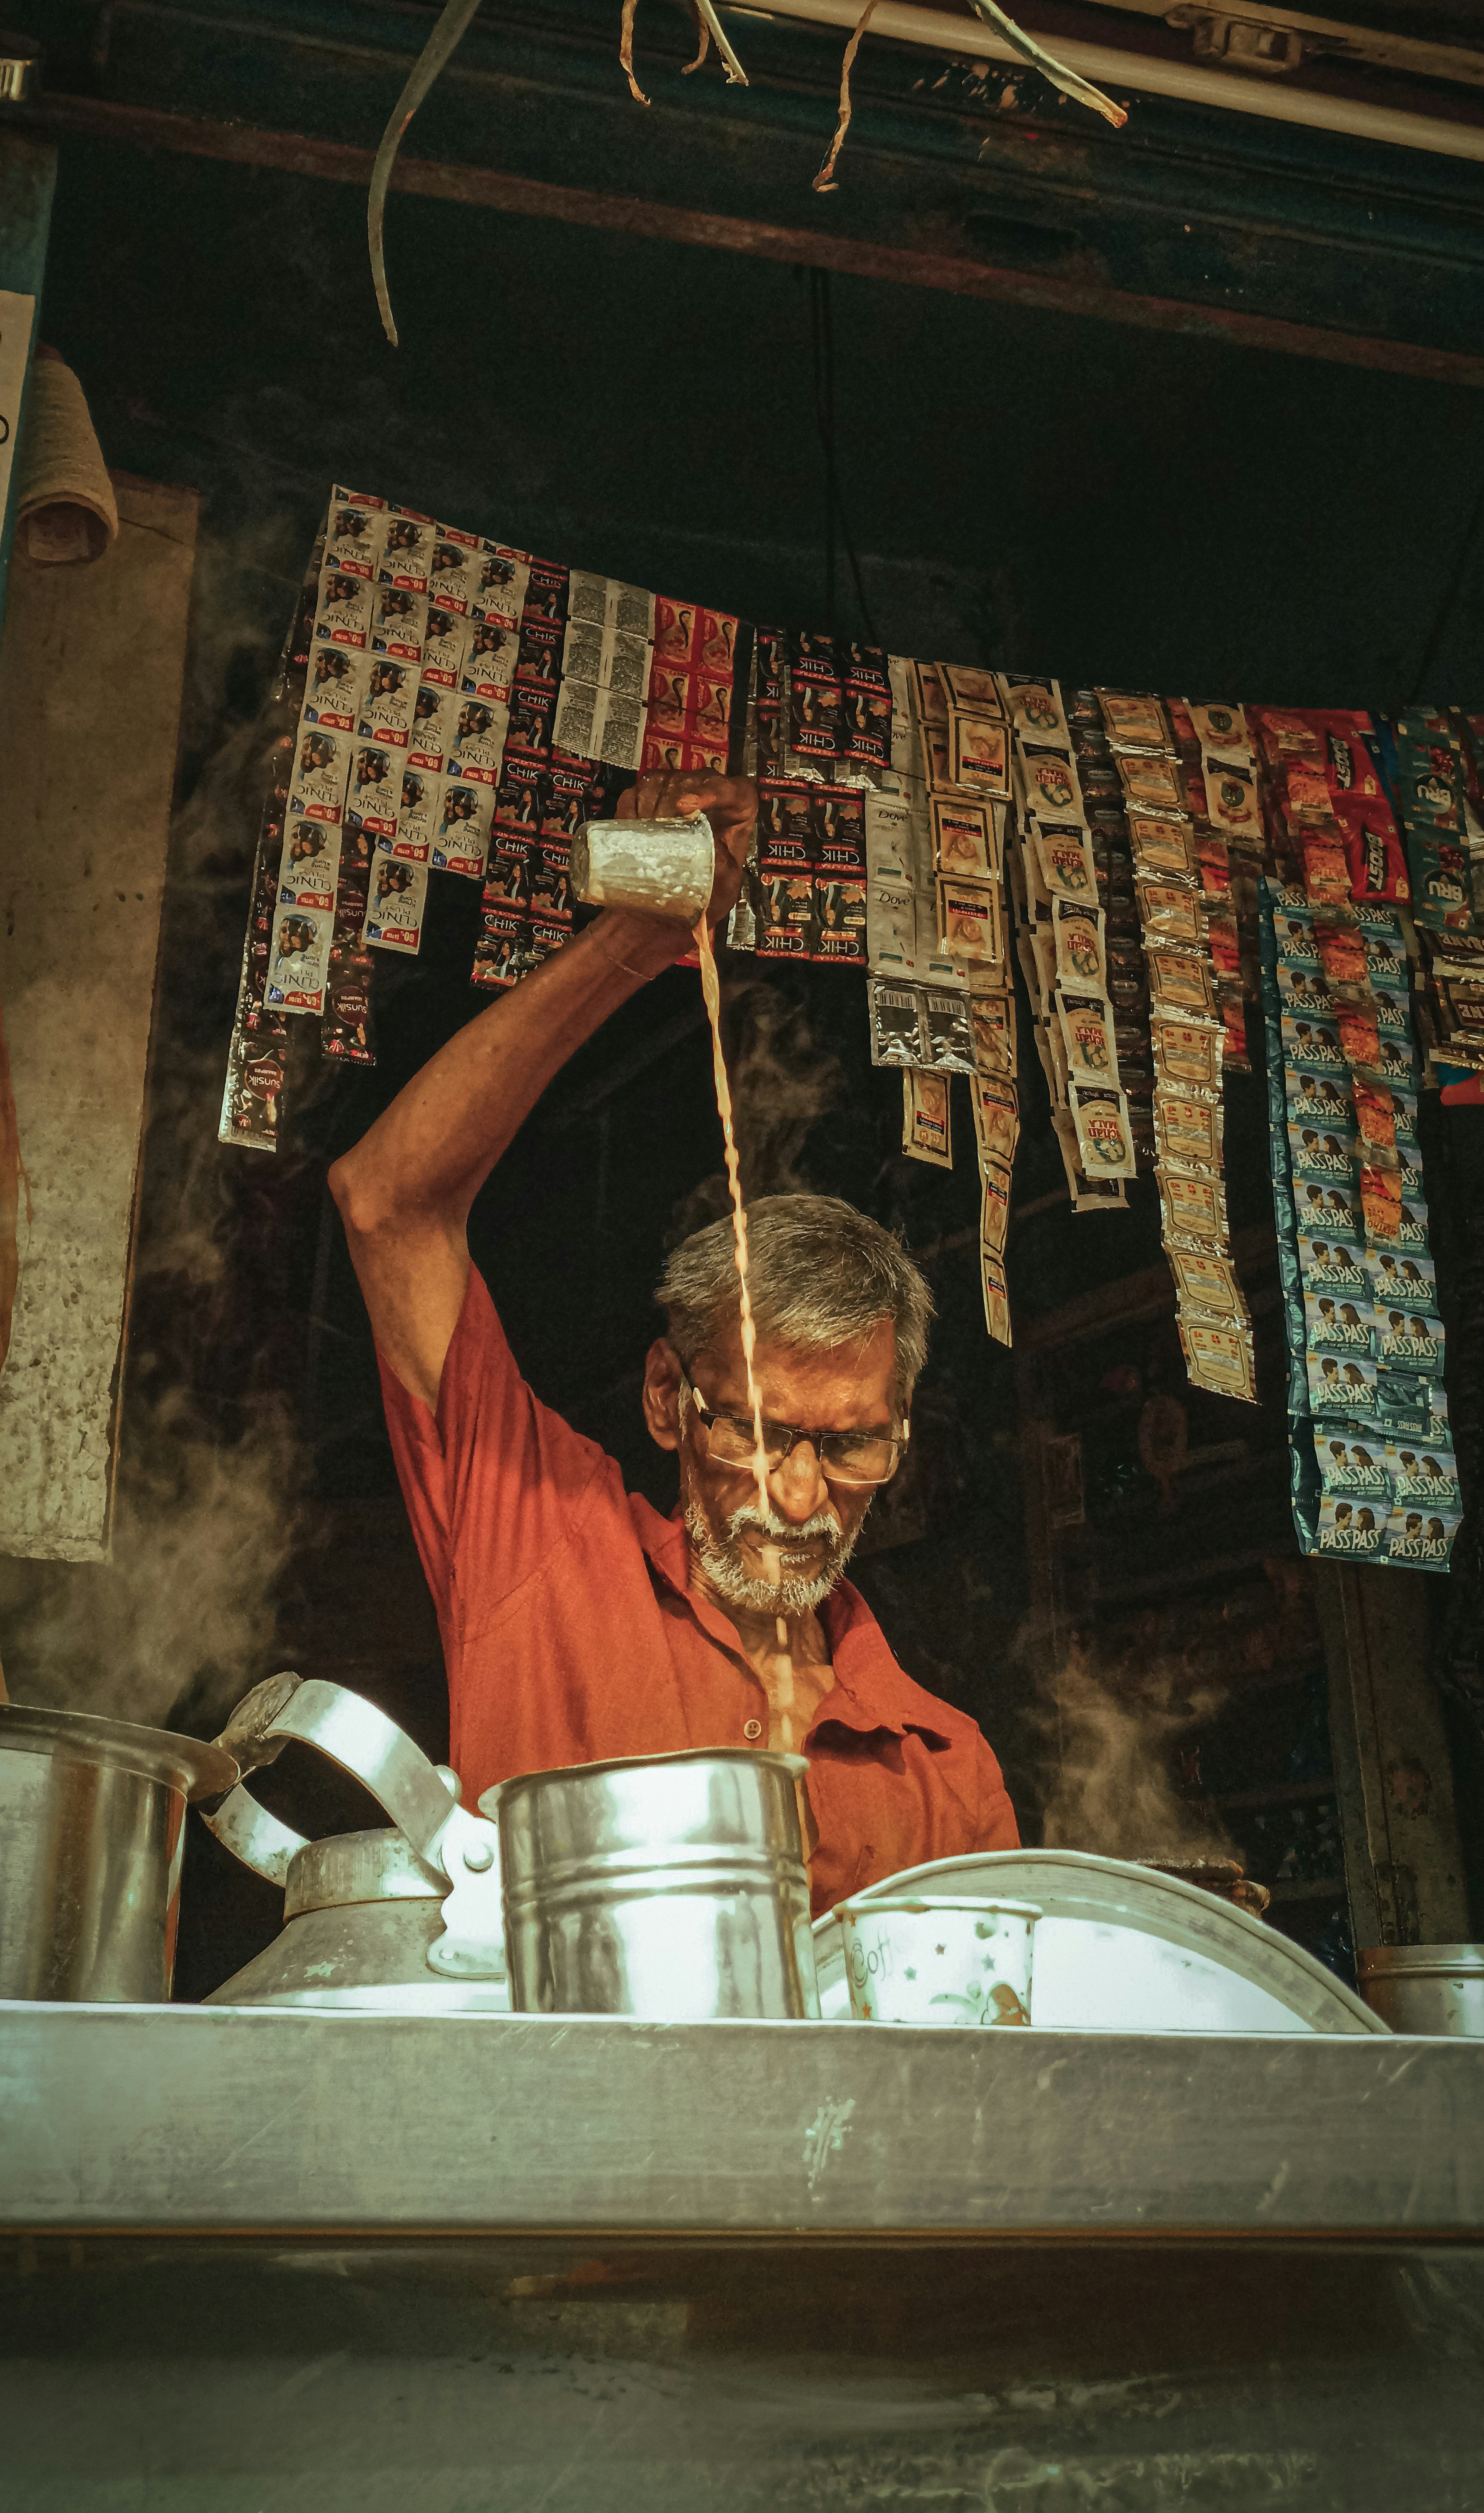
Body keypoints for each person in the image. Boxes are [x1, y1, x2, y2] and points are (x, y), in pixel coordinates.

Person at [329, 768, 1018, 1915]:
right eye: (752, 1428)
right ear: (666, 1396)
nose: (796, 1497)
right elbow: (388, 1204)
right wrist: (633, 946)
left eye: (849, 1449)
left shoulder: (942, 1765)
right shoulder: (545, 1551)